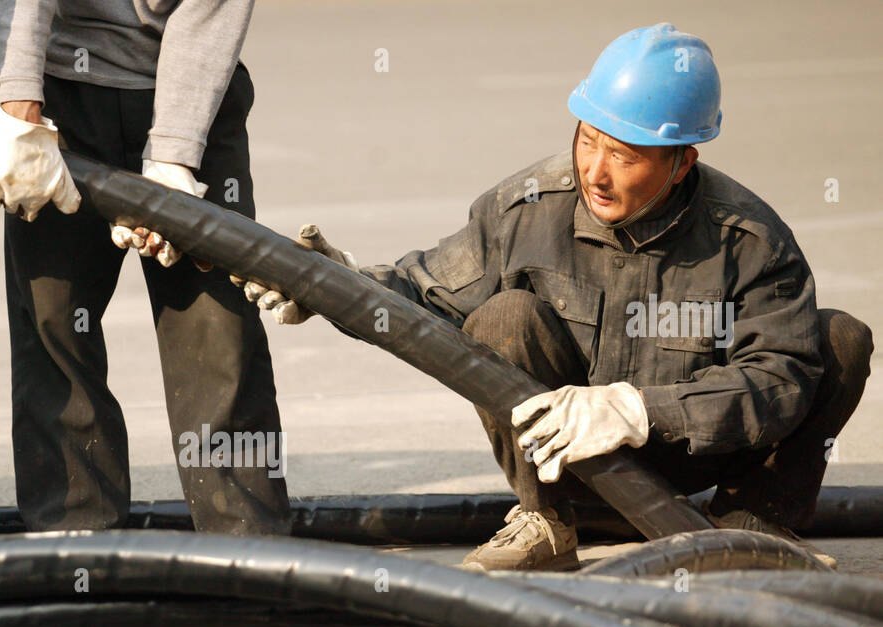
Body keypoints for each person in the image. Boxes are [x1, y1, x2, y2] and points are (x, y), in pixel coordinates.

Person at [238, 23, 871, 570]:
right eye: (588, 139)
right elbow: (422, 291)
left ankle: (750, 528)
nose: (596, 171)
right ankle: (548, 523)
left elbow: (782, 379)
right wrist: (328, 282)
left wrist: (639, 409)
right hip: (563, 466)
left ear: (683, 162)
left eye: (623, 154)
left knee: (838, 339)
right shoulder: (528, 209)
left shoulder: (750, 242)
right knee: (503, 317)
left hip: (697, 460)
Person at [0, 0, 291, 535]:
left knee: (218, 327)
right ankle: (73, 535)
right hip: (64, 91)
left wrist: (173, 155)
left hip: (192, 86)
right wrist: (18, 103)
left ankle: (247, 539)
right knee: (54, 321)